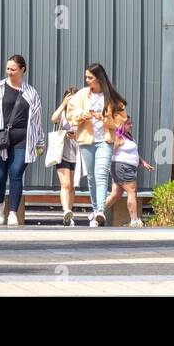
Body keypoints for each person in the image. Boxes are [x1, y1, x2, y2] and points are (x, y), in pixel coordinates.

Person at [0, 55, 45, 226]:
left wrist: (40, 142)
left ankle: (12, 212)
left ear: (22, 70)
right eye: (8, 69)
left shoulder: (31, 93)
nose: (9, 72)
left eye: (13, 69)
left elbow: (37, 119)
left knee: (16, 173)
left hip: (22, 139)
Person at [67, 62, 128, 226]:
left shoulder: (111, 97)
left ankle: (100, 210)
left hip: (105, 141)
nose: (87, 80)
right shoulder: (81, 95)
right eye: (86, 77)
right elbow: (70, 114)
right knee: (92, 177)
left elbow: (121, 120)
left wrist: (105, 119)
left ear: (99, 78)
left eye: (90, 77)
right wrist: (82, 115)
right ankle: (95, 211)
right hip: (87, 140)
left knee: (101, 175)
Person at [107, 115, 154, 226]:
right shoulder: (118, 137)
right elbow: (110, 152)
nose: (131, 125)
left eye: (131, 123)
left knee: (116, 194)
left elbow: (133, 153)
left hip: (126, 167)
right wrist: (108, 166)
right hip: (122, 167)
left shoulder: (128, 136)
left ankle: (96, 213)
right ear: (122, 124)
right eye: (129, 123)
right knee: (132, 191)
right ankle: (134, 220)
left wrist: (143, 162)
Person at [52, 86, 81, 226]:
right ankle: (66, 210)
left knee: (72, 186)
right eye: (70, 98)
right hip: (62, 152)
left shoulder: (81, 114)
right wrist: (63, 104)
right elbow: (53, 119)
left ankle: (69, 214)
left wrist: (76, 135)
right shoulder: (63, 113)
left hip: (77, 154)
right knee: (66, 184)